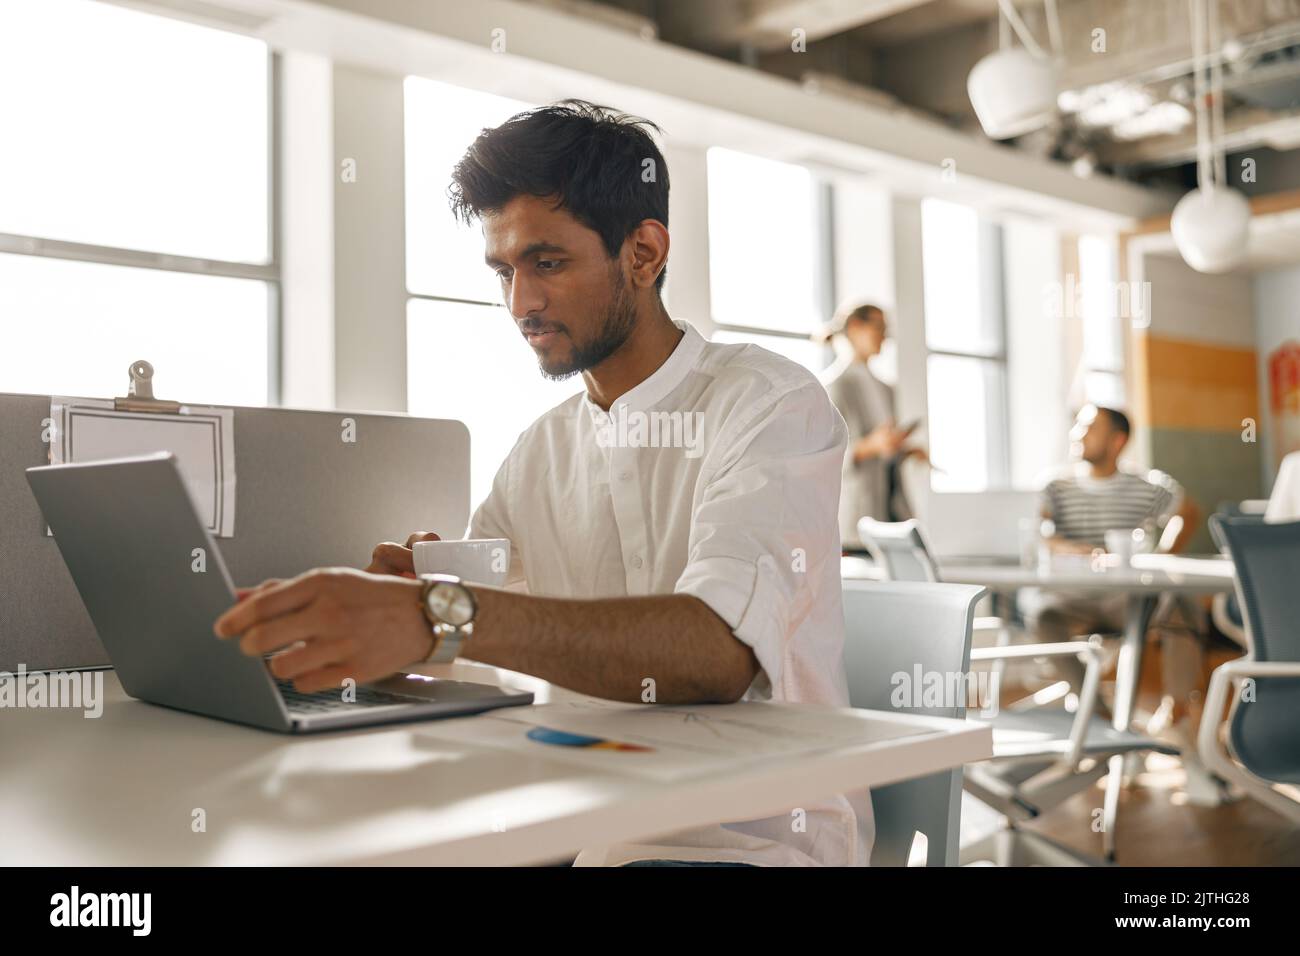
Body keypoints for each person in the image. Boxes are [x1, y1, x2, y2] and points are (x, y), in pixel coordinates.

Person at [212, 100, 870, 867]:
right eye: (504, 272)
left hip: (750, 840)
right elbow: (482, 632)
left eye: (547, 263)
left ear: (644, 253)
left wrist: (439, 614)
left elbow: (716, 653)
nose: (520, 303)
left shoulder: (769, 404)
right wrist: (403, 616)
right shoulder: (542, 448)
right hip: (581, 819)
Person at [1025, 404, 1202, 738]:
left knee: (1182, 604)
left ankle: (1176, 711)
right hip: (1072, 598)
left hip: (1126, 599)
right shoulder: (1055, 485)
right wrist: (1077, 550)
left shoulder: (1148, 486)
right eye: (1077, 426)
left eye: (1090, 427)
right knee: (1041, 614)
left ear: (1117, 441)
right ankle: (1101, 715)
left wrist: (1163, 555)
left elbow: (1188, 511)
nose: (1078, 433)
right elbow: (1041, 534)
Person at [819, 303, 922, 551]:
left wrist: (901, 449)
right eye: (878, 327)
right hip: (853, 518)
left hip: (889, 512)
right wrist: (871, 446)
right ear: (855, 327)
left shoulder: (886, 389)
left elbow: (884, 453)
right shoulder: (834, 387)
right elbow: (822, 456)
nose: (884, 336)